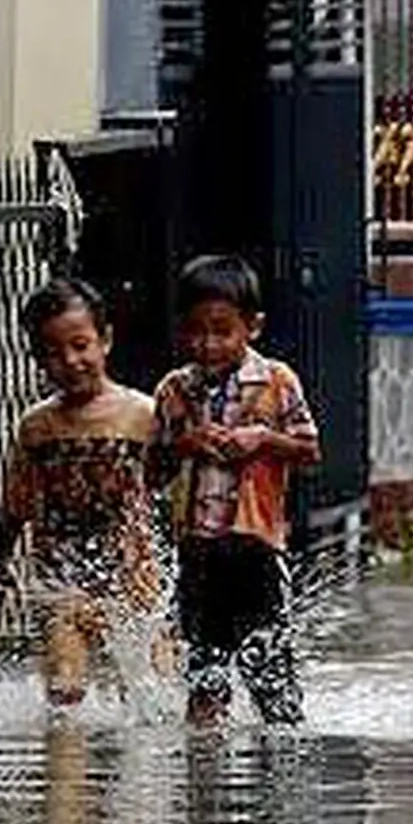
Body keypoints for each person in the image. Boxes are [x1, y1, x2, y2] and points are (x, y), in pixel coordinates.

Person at [150, 255, 320, 725]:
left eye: (222, 331)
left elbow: (309, 451)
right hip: (199, 552)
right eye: (195, 331)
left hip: (257, 549)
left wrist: (262, 439)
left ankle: (279, 767)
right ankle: (205, 775)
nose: (207, 344)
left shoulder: (276, 383)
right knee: (204, 671)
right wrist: (186, 443)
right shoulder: (173, 392)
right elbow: (153, 471)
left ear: (253, 327)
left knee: (272, 676)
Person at [0, 279, 167, 706]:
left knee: (153, 693)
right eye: (52, 353)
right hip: (61, 579)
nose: (70, 361)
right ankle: (65, 769)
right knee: (65, 692)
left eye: (80, 345)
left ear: (105, 340)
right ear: (36, 358)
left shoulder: (143, 416)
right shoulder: (37, 427)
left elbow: (174, 497)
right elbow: (16, 502)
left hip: (134, 578)